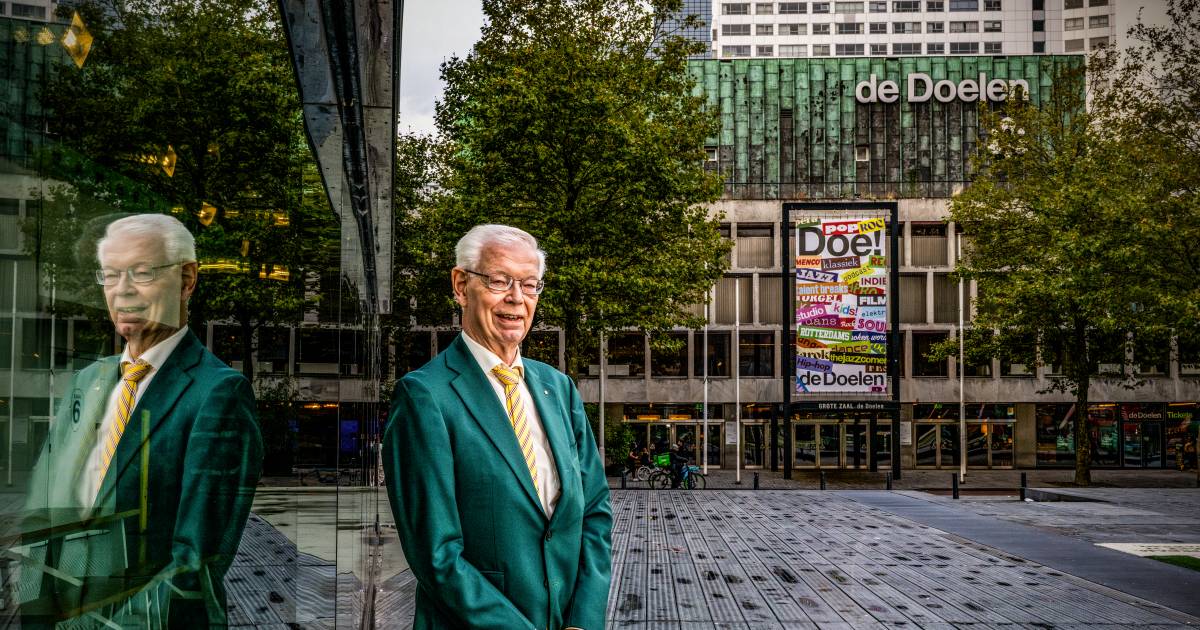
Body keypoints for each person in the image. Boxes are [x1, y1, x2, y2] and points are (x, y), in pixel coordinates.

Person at [19, 213, 263, 627]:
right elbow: (43, 513)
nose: (122, 290)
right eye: (111, 275)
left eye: (142, 272)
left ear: (187, 280)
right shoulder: (87, 382)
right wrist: (36, 615)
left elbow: (196, 560)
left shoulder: (218, 393)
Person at [383, 224, 612, 630]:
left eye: (529, 284)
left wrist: (584, 620)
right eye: (499, 280)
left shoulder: (558, 389)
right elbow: (437, 557)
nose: (516, 299)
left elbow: (594, 511)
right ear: (460, 284)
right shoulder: (425, 396)